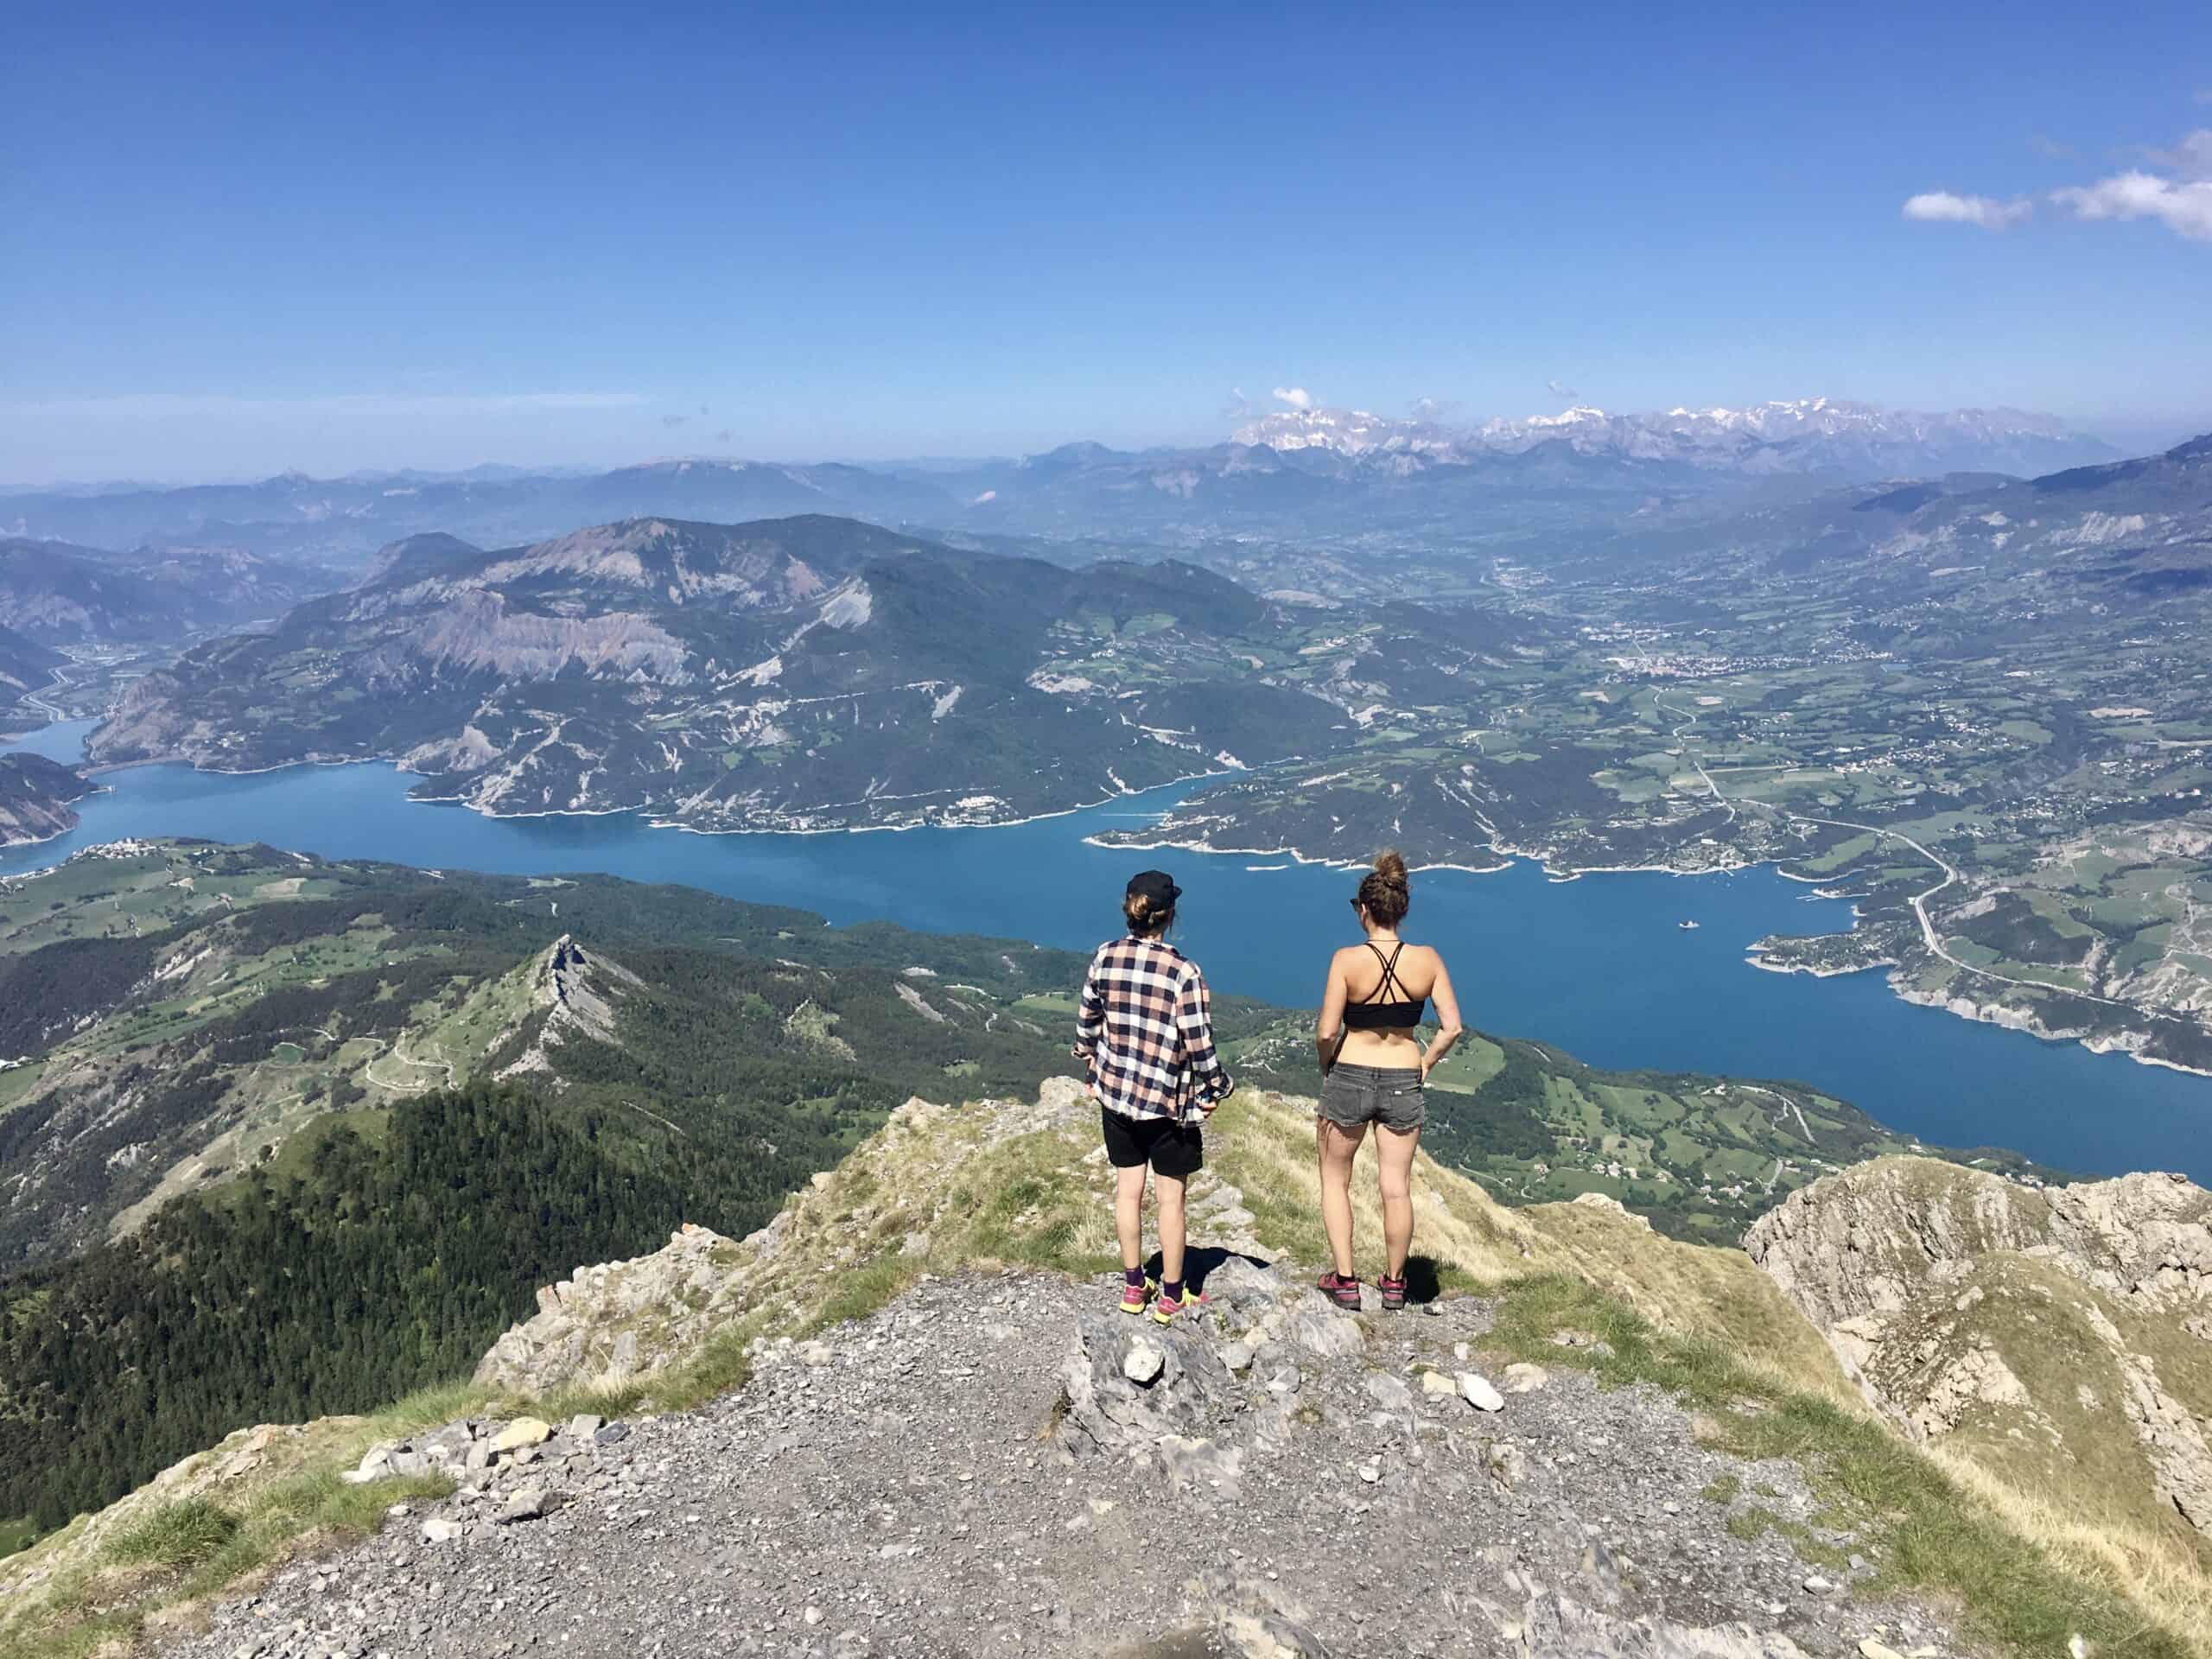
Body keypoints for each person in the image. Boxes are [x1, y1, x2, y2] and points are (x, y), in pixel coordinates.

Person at [1073, 868, 1234, 1325]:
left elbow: (1088, 1023)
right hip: (1168, 1106)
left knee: (1128, 1193)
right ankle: (1171, 1296)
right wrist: (1218, 1087)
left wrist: (1089, 1058)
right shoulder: (1183, 973)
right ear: (1169, 916)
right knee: (1171, 1200)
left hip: (1117, 1098)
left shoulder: (1105, 957)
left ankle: (1131, 1287)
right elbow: (1199, 1044)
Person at [1312, 850, 1463, 1311]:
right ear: (1403, 910)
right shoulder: (1427, 960)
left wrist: (1328, 1064)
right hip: (1403, 1074)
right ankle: (1395, 1284)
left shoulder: (1346, 960)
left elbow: (1326, 1031)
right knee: (1395, 1186)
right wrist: (1426, 1063)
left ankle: (1345, 1281)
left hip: (1350, 1073)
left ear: (1363, 910)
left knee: (1335, 1181)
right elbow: (1452, 1026)